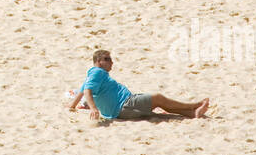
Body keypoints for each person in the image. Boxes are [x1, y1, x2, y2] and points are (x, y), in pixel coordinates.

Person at [68, 50, 209, 122]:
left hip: (121, 111)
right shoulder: (97, 72)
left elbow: (80, 93)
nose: (112, 62)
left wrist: (71, 107)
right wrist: (92, 108)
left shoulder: (91, 76)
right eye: (108, 59)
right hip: (125, 104)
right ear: (98, 61)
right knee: (158, 98)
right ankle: (193, 105)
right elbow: (87, 91)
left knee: (160, 109)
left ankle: (193, 114)